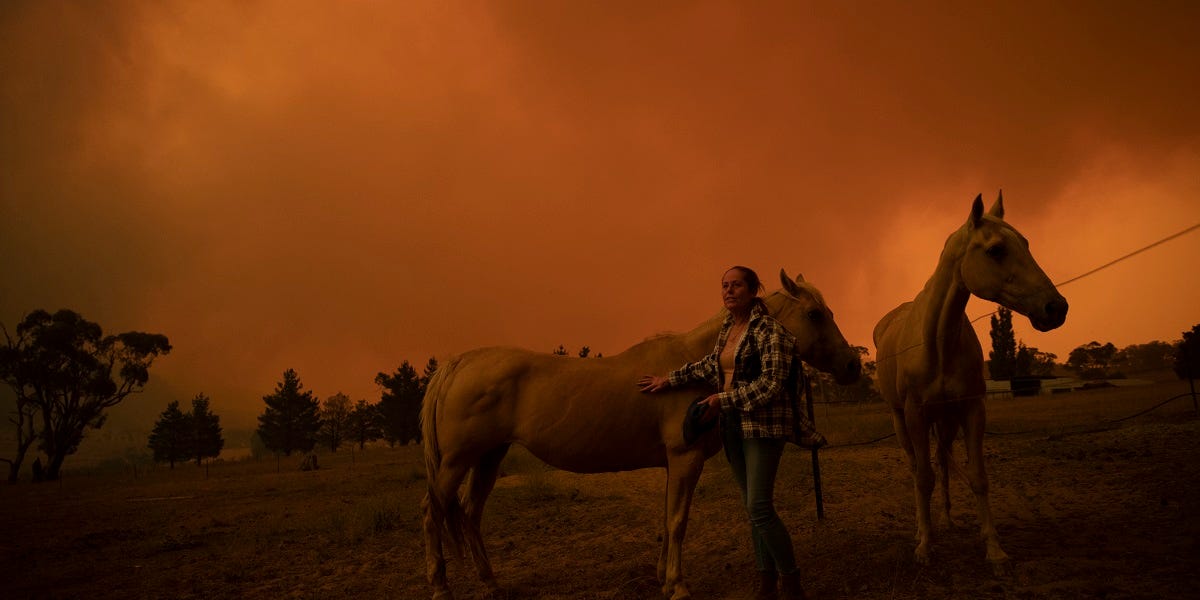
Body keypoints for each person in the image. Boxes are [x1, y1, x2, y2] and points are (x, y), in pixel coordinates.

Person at [638, 265, 819, 600]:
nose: (729, 291)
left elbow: (771, 386)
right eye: (724, 286)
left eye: (736, 285)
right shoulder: (728, 329)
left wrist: (723, 400)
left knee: (760, 506)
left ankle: (791, 583)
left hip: (763, 426)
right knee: (753, 510)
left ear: (753, 292)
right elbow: (709, 365)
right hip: (733, 426)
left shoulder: (771, 332)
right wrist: (669, 379)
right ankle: (767, 585)